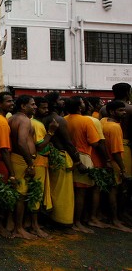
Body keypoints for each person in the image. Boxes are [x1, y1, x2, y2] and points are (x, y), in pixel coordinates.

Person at [64, 96, 109, 234]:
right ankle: (77, 222)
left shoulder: (64, 119)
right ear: (79, 106)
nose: (85, 104)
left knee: (73, 191)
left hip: (68, 157)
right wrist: (106, 159)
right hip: (83, 157)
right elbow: (95, 143)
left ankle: (75, 220)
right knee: (81, 192)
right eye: (83, 102)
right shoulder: (86, 121)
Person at [43, 92, 82, 228]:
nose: (63, 102)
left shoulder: (46, 118)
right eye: (60, 100)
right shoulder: (58, 120)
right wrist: (78, 161)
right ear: (54, 103)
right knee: (63, 193)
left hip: (51, 157)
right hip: (60, 157)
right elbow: (68, 143)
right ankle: (62, 221)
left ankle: (52, 218)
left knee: (53, 190)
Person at [8, 95, 37, 240]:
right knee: (21, 195)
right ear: (23, 106)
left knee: (17, 195)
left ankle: (14, 225)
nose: (35, 107)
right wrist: (30, 163)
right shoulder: (24, 120)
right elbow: (21, 142)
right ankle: (18, 229)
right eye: (32, 104)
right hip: (21, 161)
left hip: (16, 158)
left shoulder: (12, 118)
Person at [101, 100, 132, 232]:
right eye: (121, 110)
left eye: (124, 110)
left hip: (105, 161)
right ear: (112, 112)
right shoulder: (115, 128)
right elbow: (116, 152)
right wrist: (123, 169)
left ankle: (112, 217)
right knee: (115, 190)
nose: (124, 113)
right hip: (114, 162)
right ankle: (115, 220)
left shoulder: (103, 121)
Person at [31, 97, 59, 238]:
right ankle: (34, 226)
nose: (46, 111)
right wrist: (51, 132)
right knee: (36, 194)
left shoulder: (36, 123)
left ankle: (32, 223)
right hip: (39, 162)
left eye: (47, 108)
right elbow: (40, 145)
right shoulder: (36, 124)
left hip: (39, 162)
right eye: (42, 108)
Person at [0, 92, 15, 238]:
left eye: (12, 101)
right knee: (0, 195)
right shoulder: (0, 121)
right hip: (1, 162)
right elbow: (5, 149)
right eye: (8, 101)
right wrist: (11, 172)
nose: (12, 103)